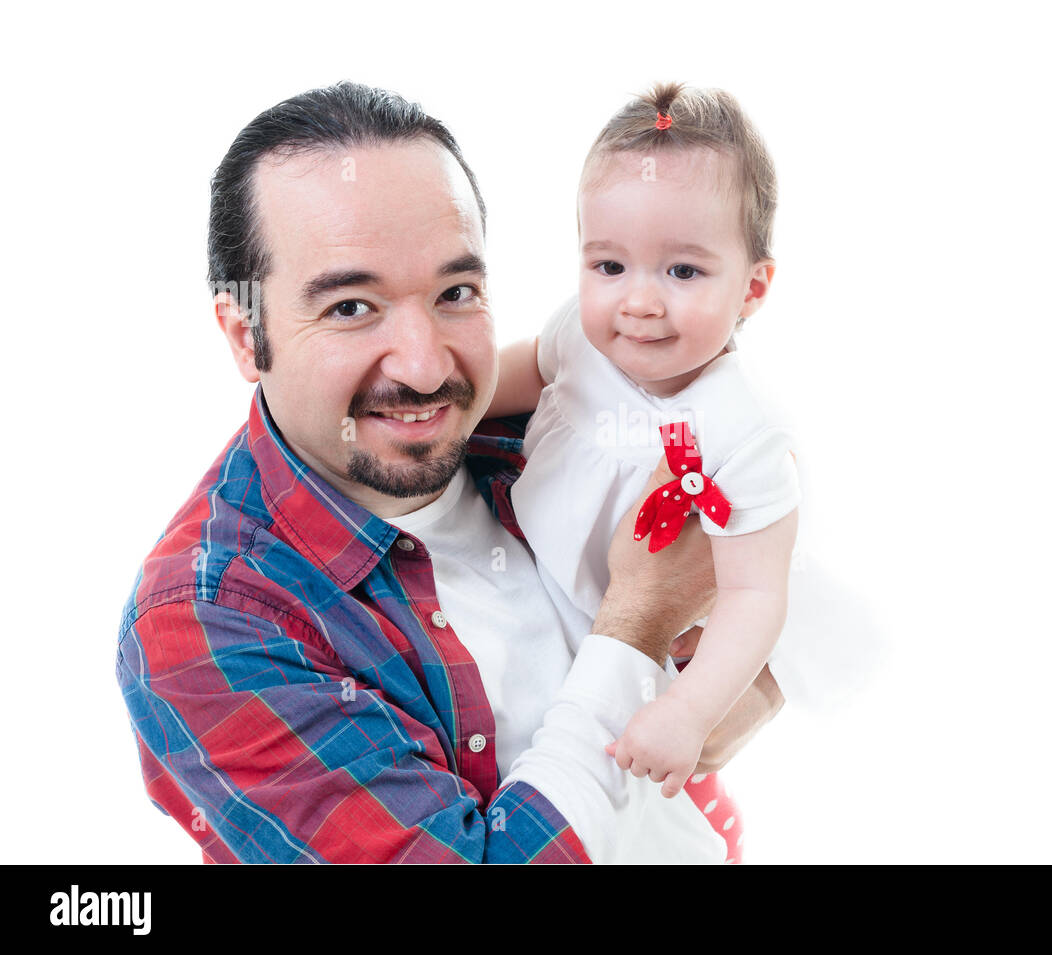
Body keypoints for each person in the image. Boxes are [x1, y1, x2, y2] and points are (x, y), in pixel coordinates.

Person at [115, 81, 785, 864]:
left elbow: (758, 558)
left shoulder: (545, 428)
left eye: (455, 292)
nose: (428, 367)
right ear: (245, 333)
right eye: (350, 307)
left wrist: (744, 679)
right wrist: (637, 626)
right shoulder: (207, 619)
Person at [488, 83, 800, 845]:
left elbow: (755, 594)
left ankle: (708, 827)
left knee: (648, 789)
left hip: (625, 640)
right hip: (525, 581)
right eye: (609, 266)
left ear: (752, 288)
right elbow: (524, 369)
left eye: (683, 273)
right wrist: (445, 397)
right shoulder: (582, 337)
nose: (638, 302)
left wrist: (687, 712)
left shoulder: (743, 432)